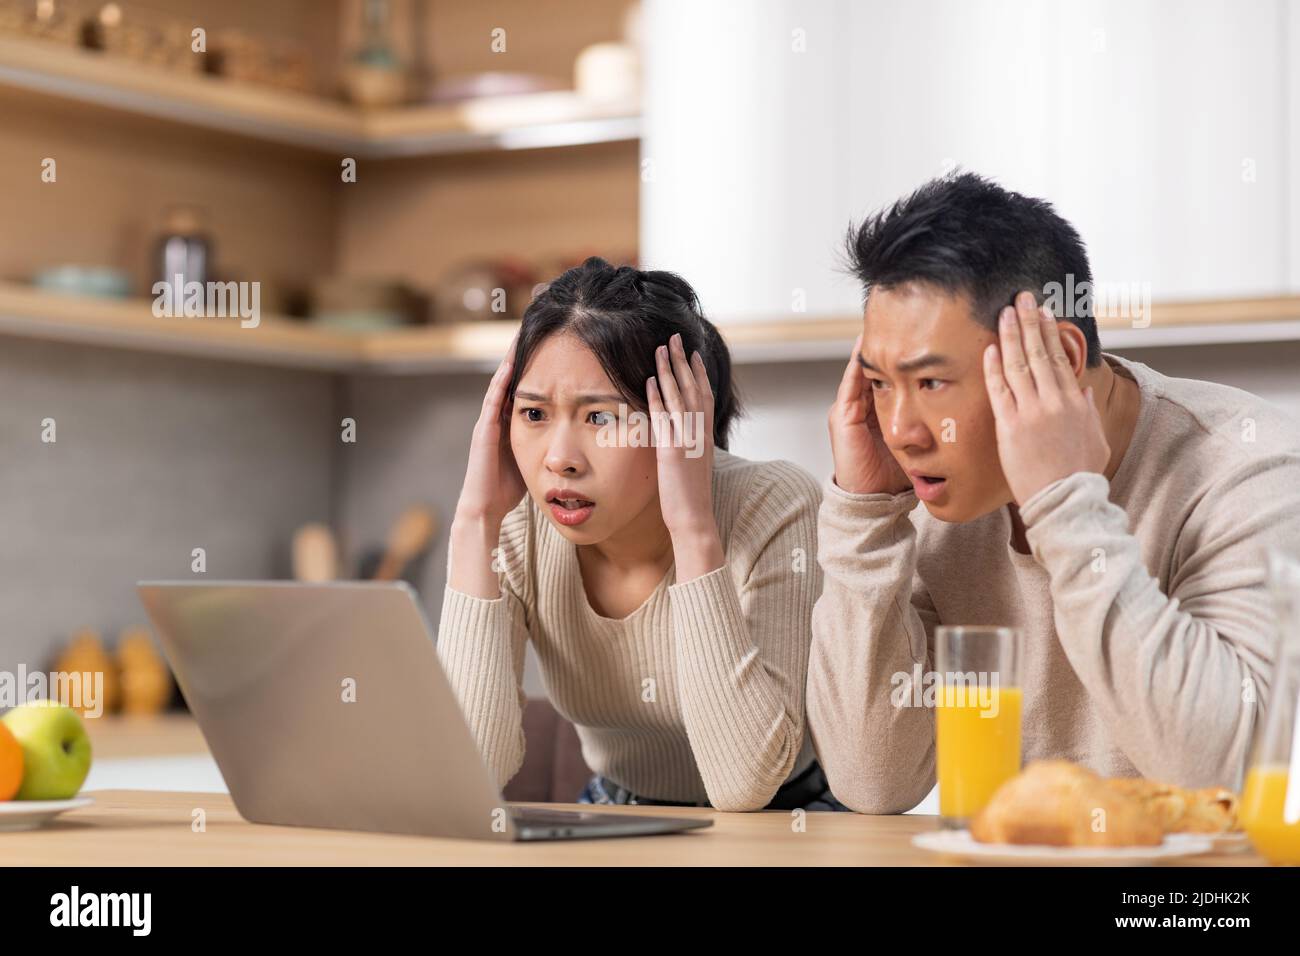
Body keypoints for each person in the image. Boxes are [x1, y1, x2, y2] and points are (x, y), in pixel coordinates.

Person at [806, 172, 1300, 813]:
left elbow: (1225, 771)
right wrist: (863, 516)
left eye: (929, 383)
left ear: (1061, 359)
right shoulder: (936, 495)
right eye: (878, 383)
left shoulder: (1246, 472)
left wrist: (1066, 502)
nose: (900, 432)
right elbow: (873, 781)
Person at [438, 256, 844, 811]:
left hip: (787, 823)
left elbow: (745, 783)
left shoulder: (774, 505)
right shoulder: (514, 524)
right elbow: (467, 769)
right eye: (533, 415)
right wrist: (474, 523)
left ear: (680, 419)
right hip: (615, 813)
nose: (559, 459)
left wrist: (694, 527)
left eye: (601, 418)